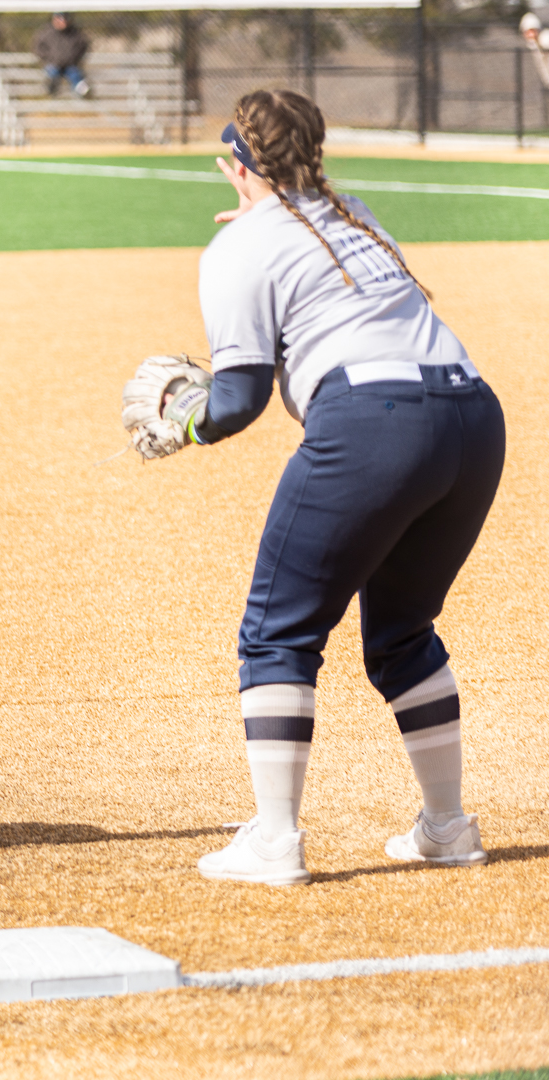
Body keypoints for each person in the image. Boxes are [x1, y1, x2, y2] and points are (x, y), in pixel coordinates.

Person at [120, 89, 504, 886]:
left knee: (276, 634)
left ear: (236, 163)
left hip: (376, 422)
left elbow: (237, 403)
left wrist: (186, 424)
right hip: (472, 418)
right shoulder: (354, 212)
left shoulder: (238, 250)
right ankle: (447, 827)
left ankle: (276, 841)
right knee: (401, 632)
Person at [32, 12, 91, 98]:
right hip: (53, 64)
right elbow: (38, 47)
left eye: (63, 19)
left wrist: (75, 58)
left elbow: (83, 46)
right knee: (52, 73)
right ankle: (51, 89)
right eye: (58, 19)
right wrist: (49, 58)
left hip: (71, 65)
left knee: (75, 75)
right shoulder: (46, 32)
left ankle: (83, 92)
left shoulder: (75, 33)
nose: (61, 22)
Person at [522, 12, 549, 90]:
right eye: (528, 31)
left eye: (533, 30)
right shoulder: (533, 45)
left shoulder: (545, 38)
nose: (531, 34)